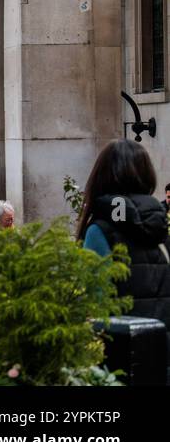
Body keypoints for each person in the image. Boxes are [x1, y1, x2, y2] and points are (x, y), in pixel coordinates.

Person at [77, 140, 170, 335]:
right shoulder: (160, 226)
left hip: (119, 352)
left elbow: (95, 304)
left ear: (102, 176)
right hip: (162, 350)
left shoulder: (100, 231)